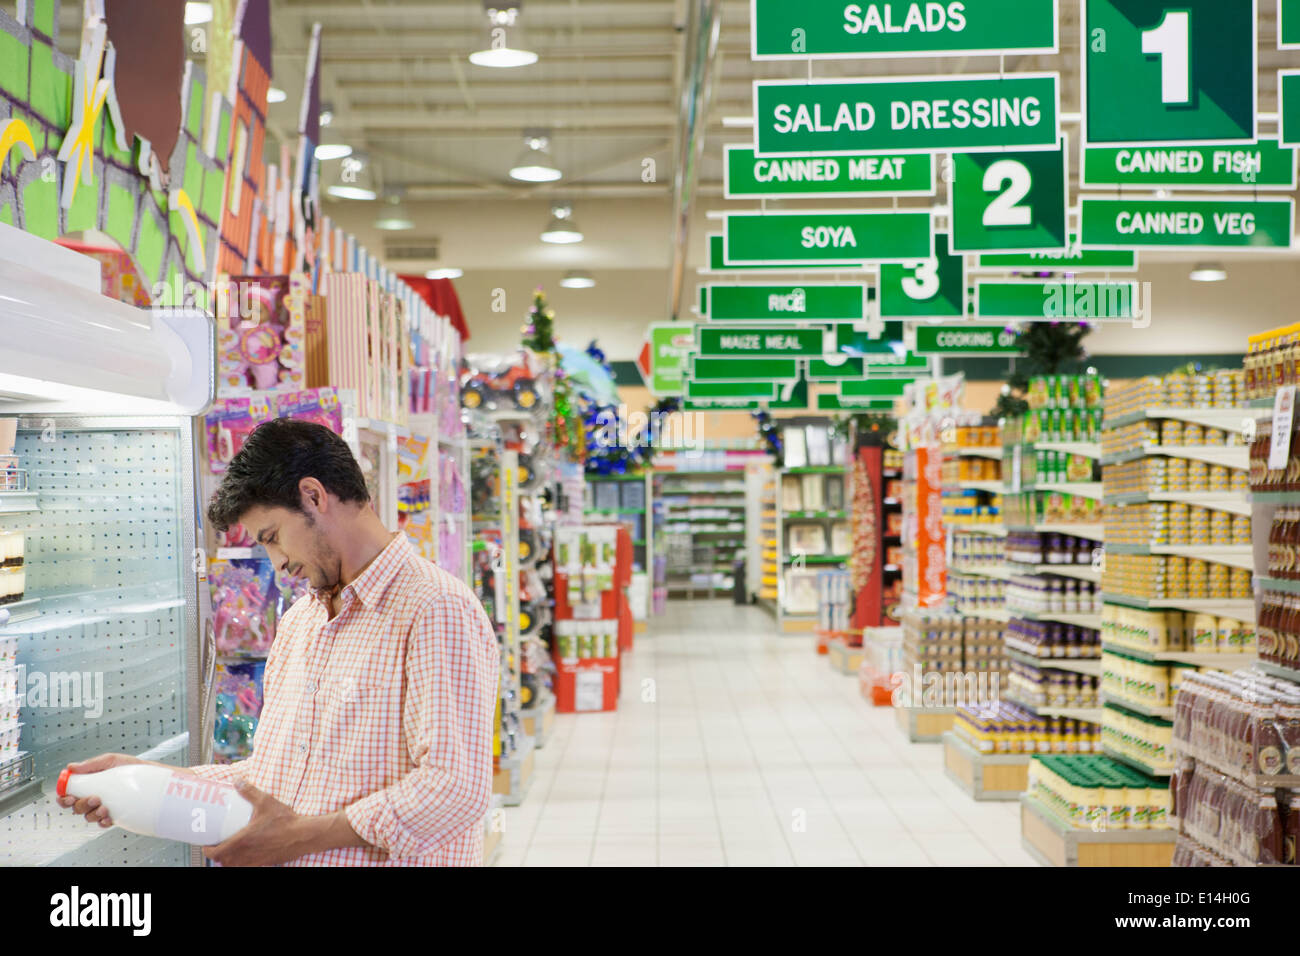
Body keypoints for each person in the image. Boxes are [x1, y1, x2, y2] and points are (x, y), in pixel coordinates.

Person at [58, 419, 499, 866]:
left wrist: (301, 837)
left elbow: (454, 787)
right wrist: (152, 779)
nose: (277, 562)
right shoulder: (301, 621)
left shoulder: (435, 608)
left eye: (272, 537)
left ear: (313, 496)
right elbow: (276, 776)